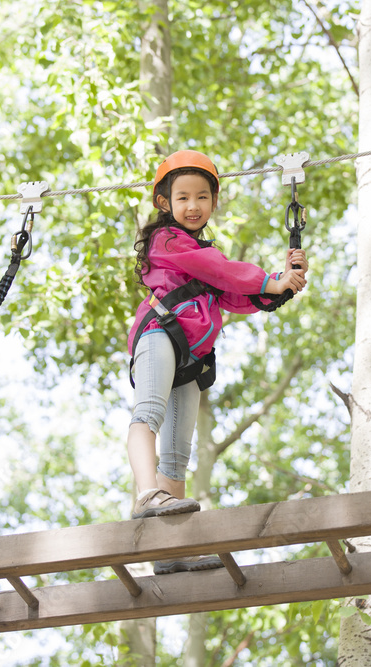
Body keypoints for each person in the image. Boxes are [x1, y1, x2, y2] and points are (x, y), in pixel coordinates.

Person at [126, 150, 308, 574]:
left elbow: (233, 295)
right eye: (183, 197)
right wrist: (269, 280)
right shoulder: (167, 243)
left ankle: (172, 550)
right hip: (159, 334)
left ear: (213, 202)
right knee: (148, 412)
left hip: (191, 355)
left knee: (177, 454)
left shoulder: (202, 252)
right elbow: (219, 269)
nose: (193, 206)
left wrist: (279, 287)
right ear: (164, 203)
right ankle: (146, 493)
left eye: (202, 197)